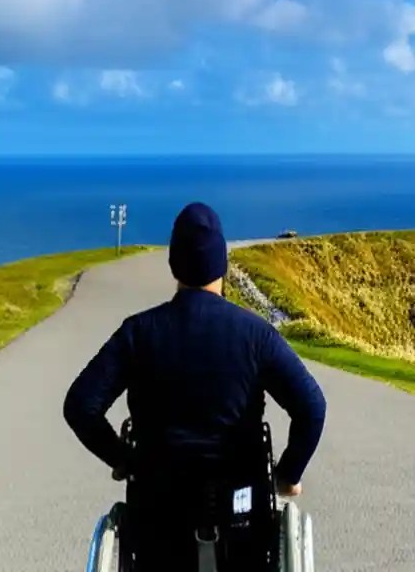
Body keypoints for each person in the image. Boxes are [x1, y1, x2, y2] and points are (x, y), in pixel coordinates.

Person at [63, 202, 327, 568]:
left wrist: (122, 459)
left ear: (174, 264)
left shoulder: (139, 334)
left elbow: (80, 405)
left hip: (158, 522)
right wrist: (287, 475)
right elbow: (312, 408)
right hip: (244, 520)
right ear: (223, 264)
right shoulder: (256, 336)